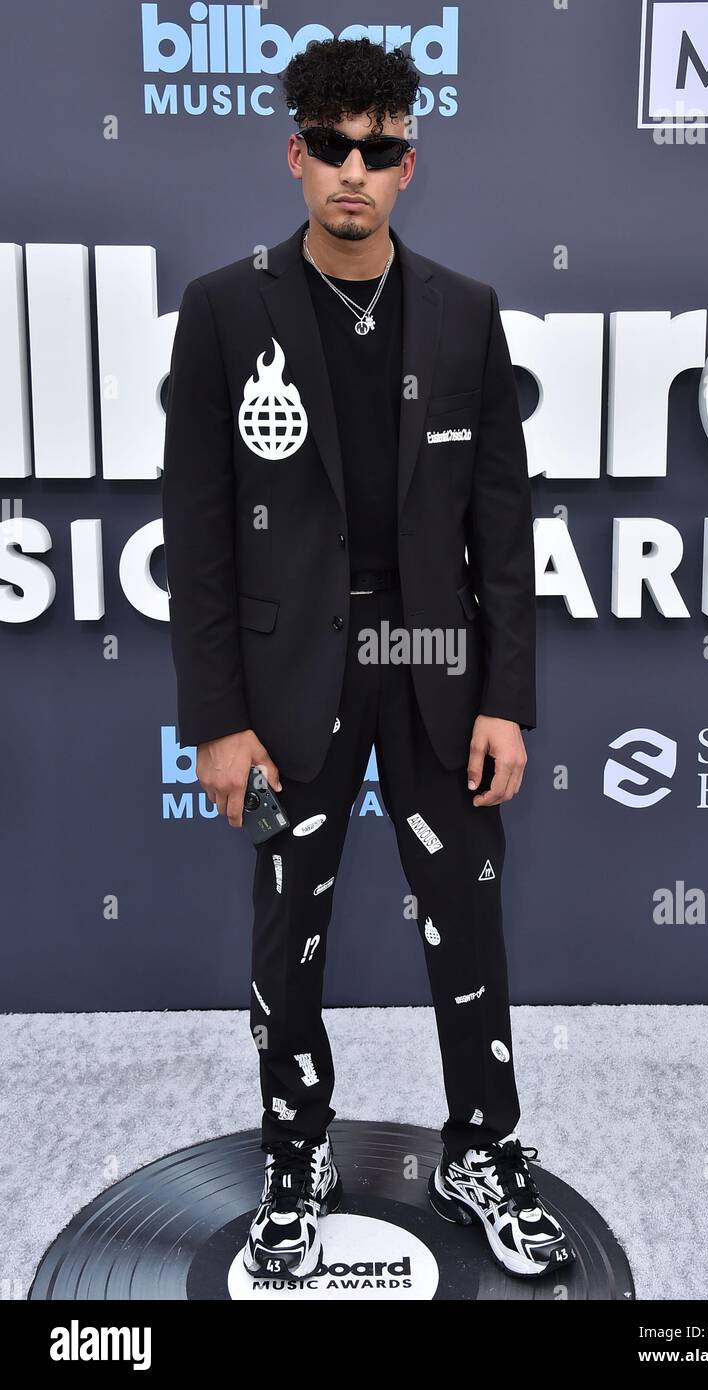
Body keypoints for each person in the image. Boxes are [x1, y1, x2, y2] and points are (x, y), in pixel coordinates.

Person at [161, 35, 575, 1282]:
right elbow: (196, 532)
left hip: (433, 658)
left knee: (470, 920)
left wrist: (506, 696)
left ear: (409, 163)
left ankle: (485, 1152)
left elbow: (502, 528)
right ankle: (298, 1154)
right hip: (291, 681)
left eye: (379, 148)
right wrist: (216, 717)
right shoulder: (226, 308)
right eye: (332, 146)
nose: (355, 169)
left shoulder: (465, 312)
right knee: (288, 928)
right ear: (295, 156)